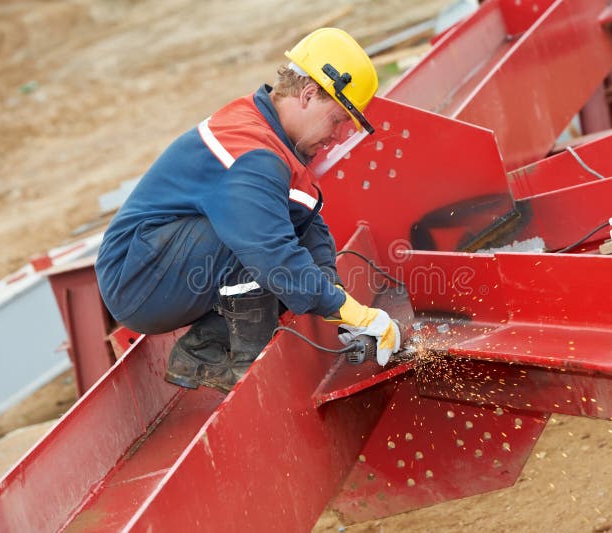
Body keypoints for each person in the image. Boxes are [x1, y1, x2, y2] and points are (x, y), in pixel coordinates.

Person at [95, 28, 400, 393]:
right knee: (264, 250)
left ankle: (201, 351)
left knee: (280, 249)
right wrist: (352, 311)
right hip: (137, 278)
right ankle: (247, 371)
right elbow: (272, 253)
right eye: (337, 120)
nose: (337, 136)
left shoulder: (274, 137)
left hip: (163, 265)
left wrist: (336, 295)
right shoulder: (253, 152)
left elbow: (307, 222)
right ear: (307, 95)